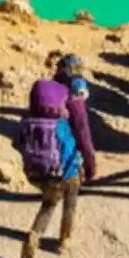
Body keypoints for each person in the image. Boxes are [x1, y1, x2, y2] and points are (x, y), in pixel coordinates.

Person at [17, 79, 85, 258]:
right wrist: (79, 165)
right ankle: (64, 239)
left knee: (47, 207)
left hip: (40, 175)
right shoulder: (60, 124)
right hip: (65, 173)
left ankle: (33, 238)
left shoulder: (27, 123)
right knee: (70, 203)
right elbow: (70, 150)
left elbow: (18, 144)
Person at [51, 54, 97, 183]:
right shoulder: (78, 83)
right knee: (83, 140)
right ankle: (88, 170)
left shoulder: (57, 82)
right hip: (76, 111)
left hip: (60, 114)